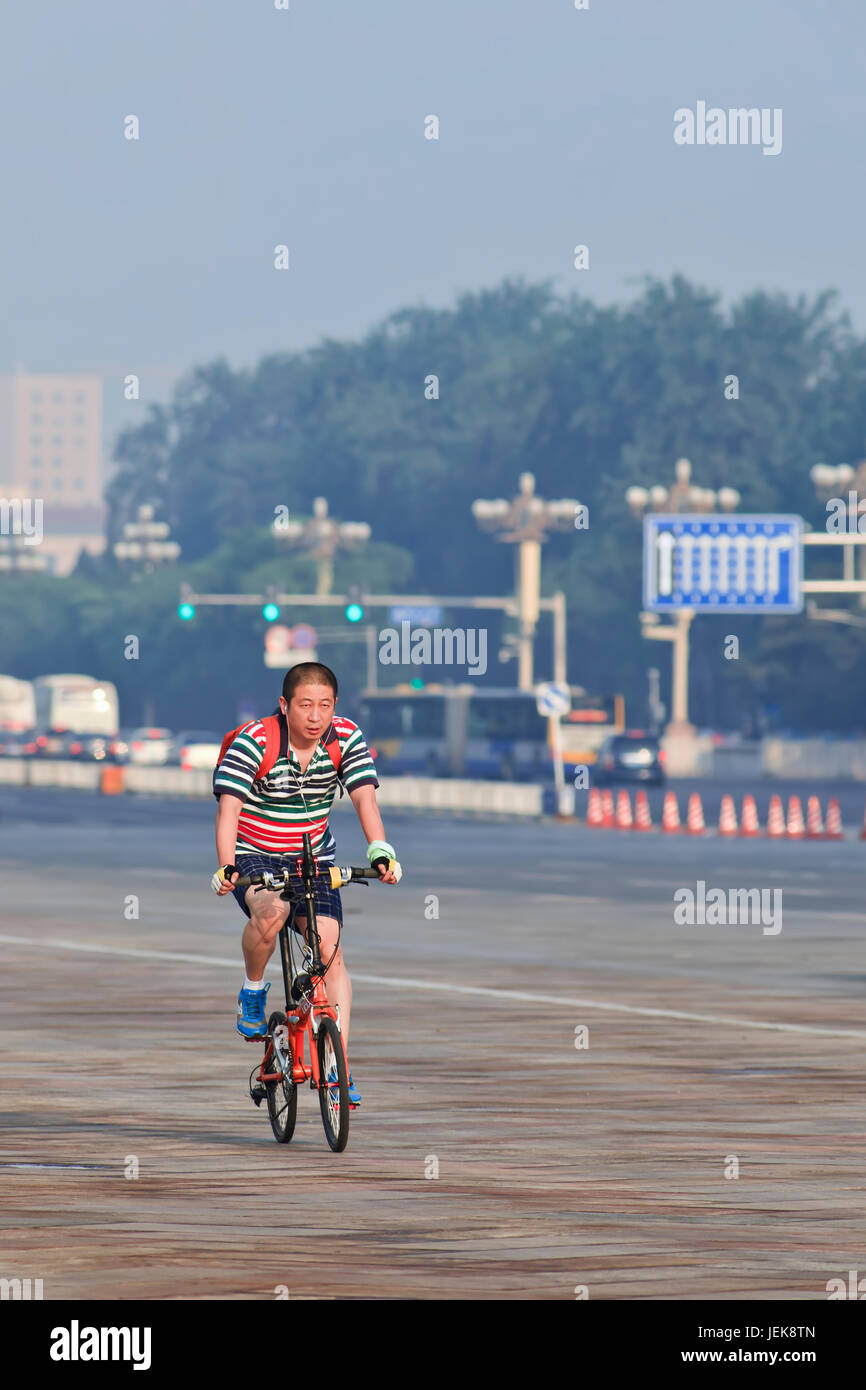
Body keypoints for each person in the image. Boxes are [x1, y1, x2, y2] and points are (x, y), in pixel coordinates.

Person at [211, 661, 398, 1106]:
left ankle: (338, 1067)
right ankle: (253, 992)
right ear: (284, 705)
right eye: (306, 706)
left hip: (313, 857)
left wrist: (380, 850)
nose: (316, 717)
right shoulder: (255, 741)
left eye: (325, 706)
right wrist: (227, 867)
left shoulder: (345, 737)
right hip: (255, 853)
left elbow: (363, 798)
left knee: (330, 950)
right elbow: (228, 813)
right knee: (271, 916)